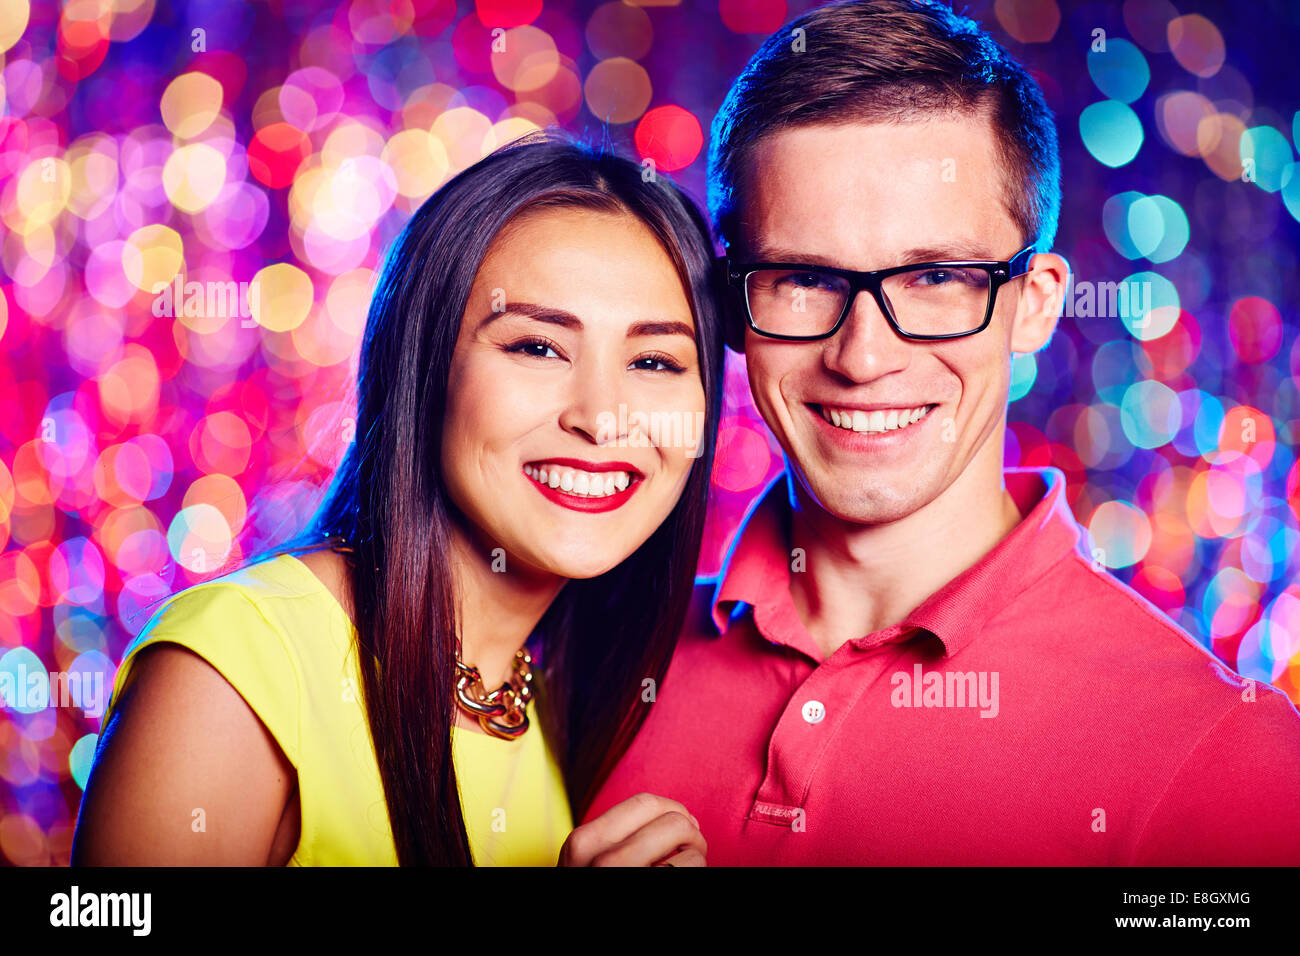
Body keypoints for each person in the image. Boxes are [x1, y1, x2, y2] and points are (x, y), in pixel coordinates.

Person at [584, 0, 1300, 864]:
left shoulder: (1230, 757)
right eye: (804, 278)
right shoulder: (602, 662)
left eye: (934, 277)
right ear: (734, 310)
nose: (865, 355)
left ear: (1033, 303)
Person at [72, 132, 722, 866]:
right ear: (422, 365)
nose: (603, 418)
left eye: (655, 360)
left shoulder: (550, 701)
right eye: (536, 347)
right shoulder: (239, 661)